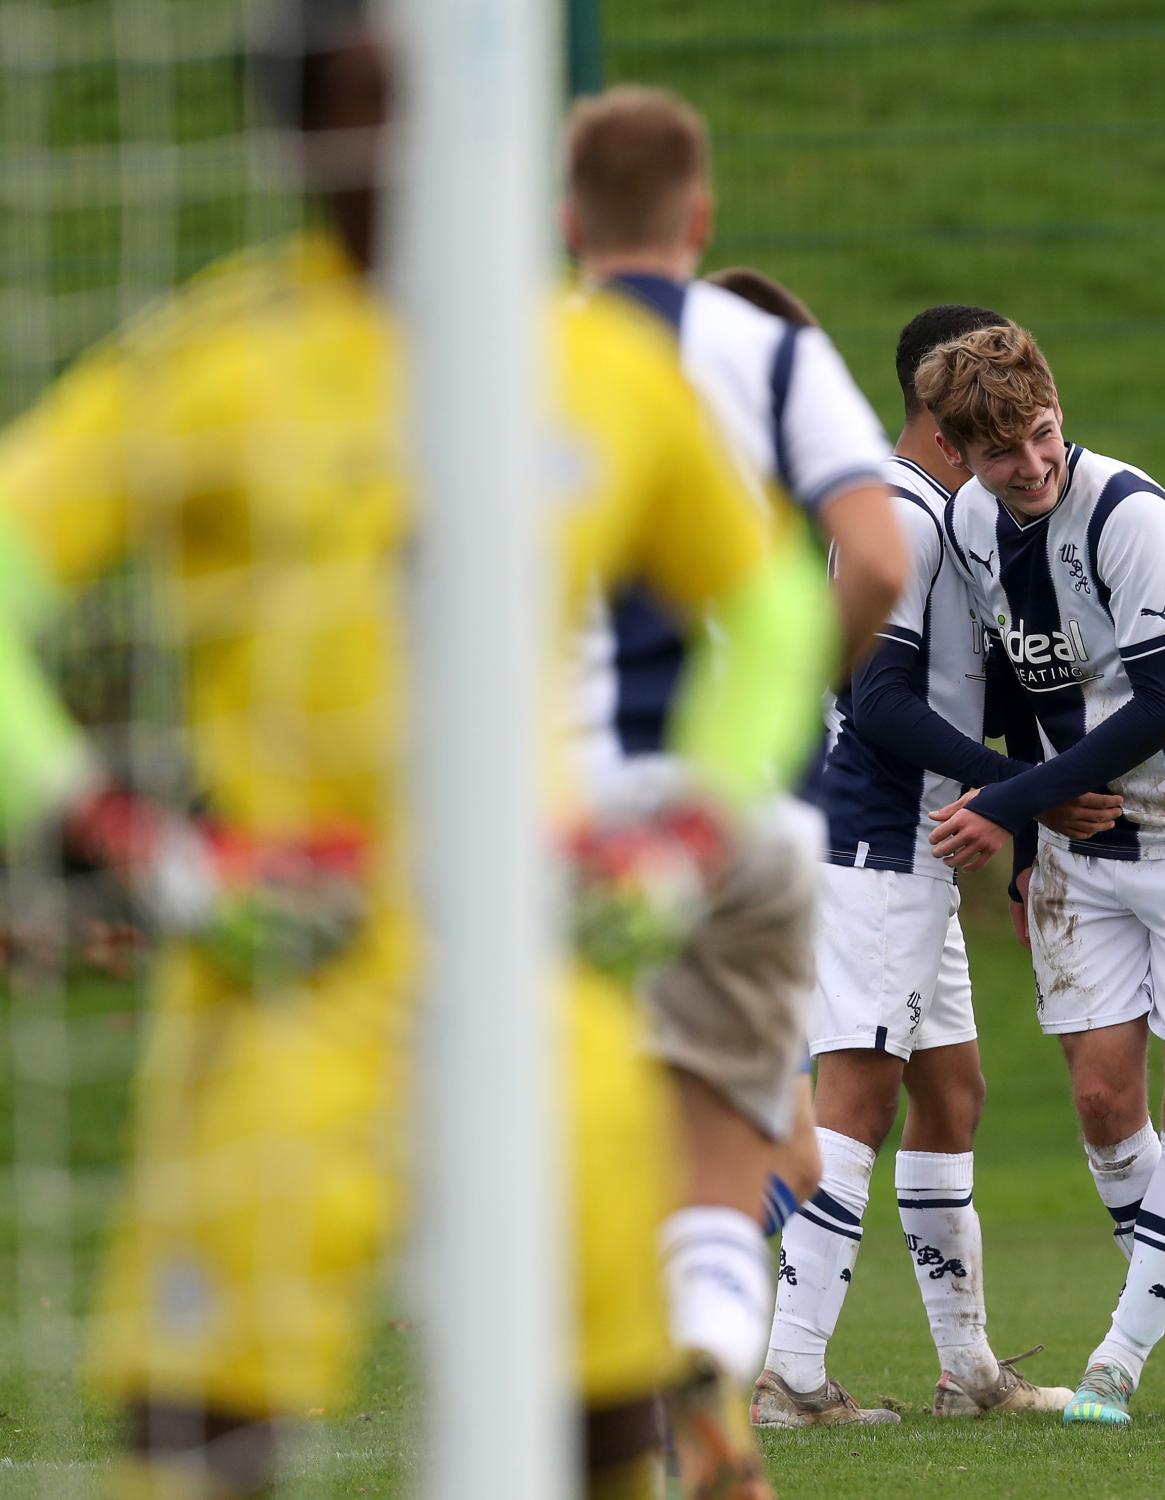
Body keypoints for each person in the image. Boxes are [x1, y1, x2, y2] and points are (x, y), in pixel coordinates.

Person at [0, 8, 831, 1498]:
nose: (399, 141)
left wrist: (689, 833)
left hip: (532, 970)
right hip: (288, 968)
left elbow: (771, 605)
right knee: (200, 1437)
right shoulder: (211, 363)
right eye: (354, 103)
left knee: (601, 1420)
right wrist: (133, 843)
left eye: (424, 99)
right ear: (296, 134)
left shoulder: (591, 372)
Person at [562, 84, 903, 1414]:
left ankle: (667, 1375)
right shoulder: (768, 354)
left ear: (563, 222)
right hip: (751, 810)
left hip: (572, 799)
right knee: (757, 1146)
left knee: (724, 1144)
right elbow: (878, 553)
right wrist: (788, 687)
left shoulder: (519, 354)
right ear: (701, 216)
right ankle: (708, 1388)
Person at [755, 305, 1113, 1427]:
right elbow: (873, 699)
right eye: (986, 418)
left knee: (950, 1094)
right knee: (853, 1094)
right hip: (866, 838)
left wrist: (1009, 814)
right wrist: (1020, 788)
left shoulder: (931, 510)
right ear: (943, 418)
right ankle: (788, 1375)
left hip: (907, 847)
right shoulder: (901, 519)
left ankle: (968, 1372)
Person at [920, 323, 1165, 1428]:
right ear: (959, 458)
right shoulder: (970, 528)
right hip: (1080, 854)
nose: (1031, 465)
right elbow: (1019, 696)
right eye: (1000, 454)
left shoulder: (1130, 517)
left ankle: (1117, 1357)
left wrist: (1001, 805)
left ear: (1055, 409)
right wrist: (1030, 843)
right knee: (1100, 1097)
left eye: (1040, 434)